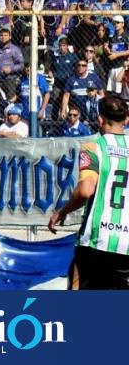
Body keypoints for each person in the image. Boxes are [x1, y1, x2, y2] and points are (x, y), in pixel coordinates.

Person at [48, 95, 129, 289]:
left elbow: (85, 191)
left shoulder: (93, 148)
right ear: (126, 119)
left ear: (100, 119)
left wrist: (62, 212)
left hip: (95, 239)